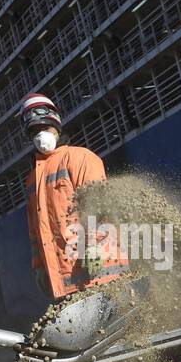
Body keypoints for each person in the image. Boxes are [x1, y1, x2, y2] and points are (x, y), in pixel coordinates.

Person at [21, 93, 127, 300]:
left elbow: (99, 205)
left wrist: (96, 246)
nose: (41, 135)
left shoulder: (80, 158)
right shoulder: (32, 179)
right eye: (34, 130)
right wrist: (39, 266)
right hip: (66, 285)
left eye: (45, 127)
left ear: (57, 126)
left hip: (104, 275)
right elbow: (35, 231)